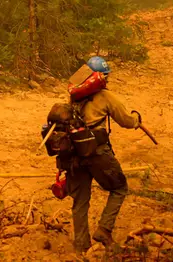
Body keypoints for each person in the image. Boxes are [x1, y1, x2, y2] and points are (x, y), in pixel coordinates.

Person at [65, 56, 142, 255]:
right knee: (119, 188)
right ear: (102, 77)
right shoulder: (106, 97)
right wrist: (136, 120)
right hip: (97, 152)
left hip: (75, 154)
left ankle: (81, 246)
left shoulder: (73, 98)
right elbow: (126, 121)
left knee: (80, 200)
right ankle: (104, 230)